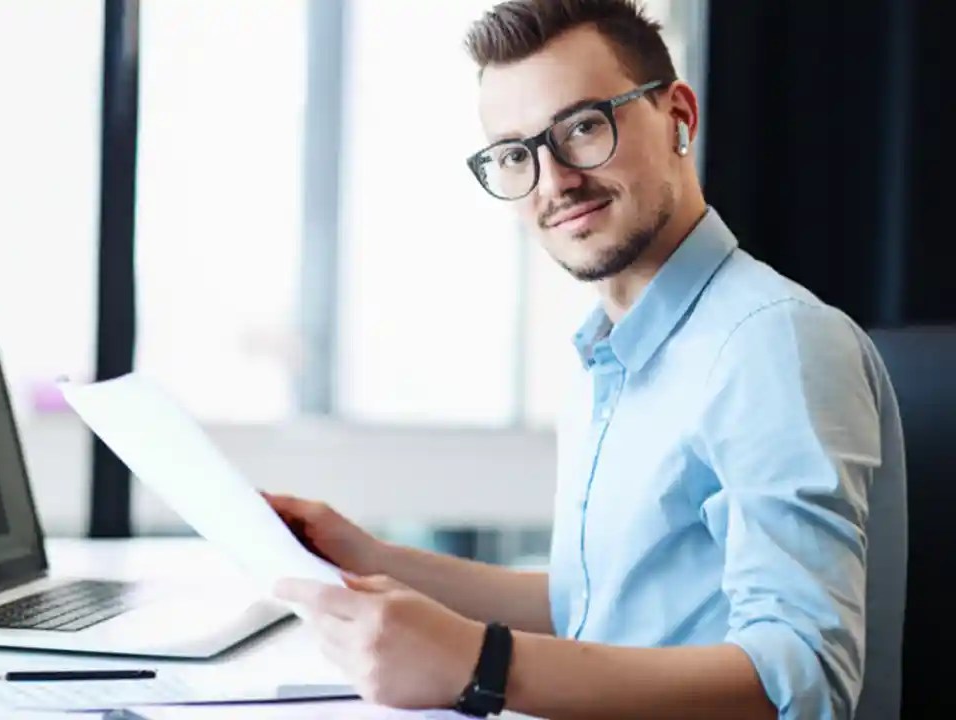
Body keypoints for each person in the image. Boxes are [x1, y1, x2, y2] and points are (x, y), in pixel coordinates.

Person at [268, 1, 905, 718]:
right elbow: (590, 603)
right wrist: (369, 558)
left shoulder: (770, 343)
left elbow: (805, 680)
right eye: (516, 154)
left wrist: (486, 663)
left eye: (581, 128)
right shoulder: (610, 352)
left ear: (678, 118)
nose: (553, 181)